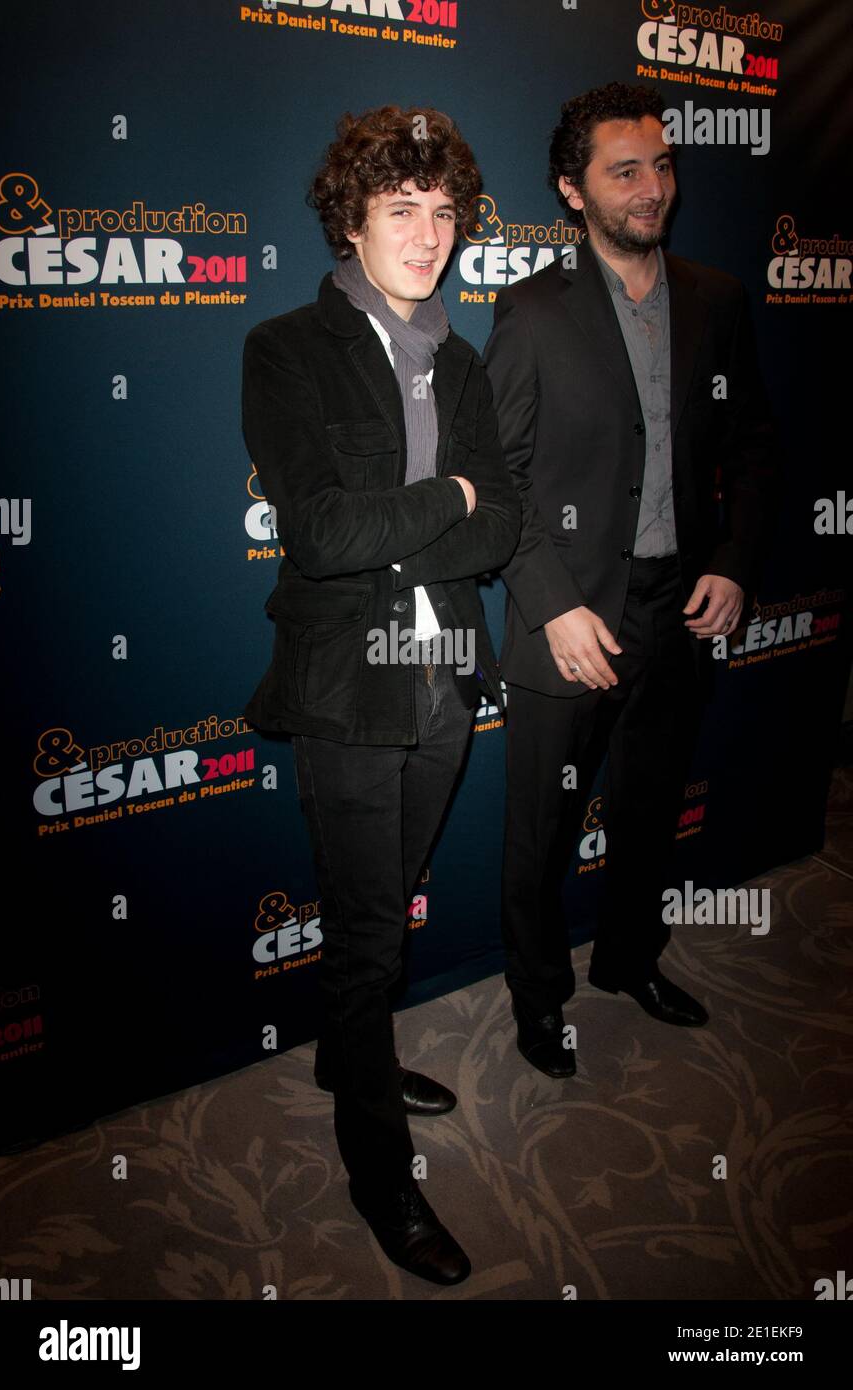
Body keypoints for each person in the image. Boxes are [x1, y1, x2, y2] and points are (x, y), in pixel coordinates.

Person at [242, 106, 520, 1283]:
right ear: (350, 222)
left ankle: (341, 1054)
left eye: (443, 210)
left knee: (392, 901)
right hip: (346, 685)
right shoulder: (285, 349)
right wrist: (448, 501)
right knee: (363, 938)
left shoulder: (464, 360)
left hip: (441, 675)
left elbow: (501, 523)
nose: (426, 233)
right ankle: (378, 1172)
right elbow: (317, 531)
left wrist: (449, 511)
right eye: (399, 208)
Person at [483, 82, 776, 1079]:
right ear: (574, 192)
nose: (654, 188)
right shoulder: (528, 313)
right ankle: (538, 1000)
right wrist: (553, 603)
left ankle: (629, 960)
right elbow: (497, 480)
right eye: (625, 171)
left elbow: (751, 445)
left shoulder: (718, 299)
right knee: (544, 832)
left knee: (650, 808)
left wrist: (734, 563)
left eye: (664, 164)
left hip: (676, 610)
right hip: (568, 615)